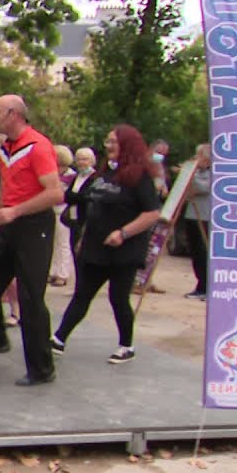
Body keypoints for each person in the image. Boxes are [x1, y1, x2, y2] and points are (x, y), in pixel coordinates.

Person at [0, 94, 64, 387]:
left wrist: (15, 212)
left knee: (30, 296)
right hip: (10, 222)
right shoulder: (6, 149)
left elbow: (55, 193)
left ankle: (41, 368)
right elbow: (6, 187)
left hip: (34, 224)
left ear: (13, 114)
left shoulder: (38, 146)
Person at [51, 124, 162, 364]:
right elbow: (93, 206)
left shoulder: (139, 177)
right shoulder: (103, 174)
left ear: (127, 145)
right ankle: (58, 339)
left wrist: (123, 233)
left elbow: (152, 214)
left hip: (124, 249)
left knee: (118, 297)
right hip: (95, 246)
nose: (108, 146)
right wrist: (84, 237)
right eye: (107, 141)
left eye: (114, 142)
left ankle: (126, 345)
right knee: (82, 294)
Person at [182, 144, 211, 301]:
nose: (196, 159)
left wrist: (190, 174)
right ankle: (200, 285)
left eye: (199, 156)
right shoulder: (198, 172)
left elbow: (203, 187)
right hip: (191, 214)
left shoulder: (213, 172)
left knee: (203, 252)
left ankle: (207, 286)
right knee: (195, 251)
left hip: (204, 216)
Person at [48, 144, 75, 288]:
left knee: (63, 243)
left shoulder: (70, 175)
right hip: (51, 209)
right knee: (53, 242)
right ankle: (53, 271)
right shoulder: (53, 172)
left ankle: (63, 273)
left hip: (63, 211)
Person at [63, 147, 97, 255]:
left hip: (85, 221)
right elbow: (67, 196)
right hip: (73, 219)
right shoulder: (77, 177)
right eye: (79, 159)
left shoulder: (95, 178)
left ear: (92, 161)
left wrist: (74, 197)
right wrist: (75, 197)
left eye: (85, 159)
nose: (81, 162)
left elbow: (87, 197)